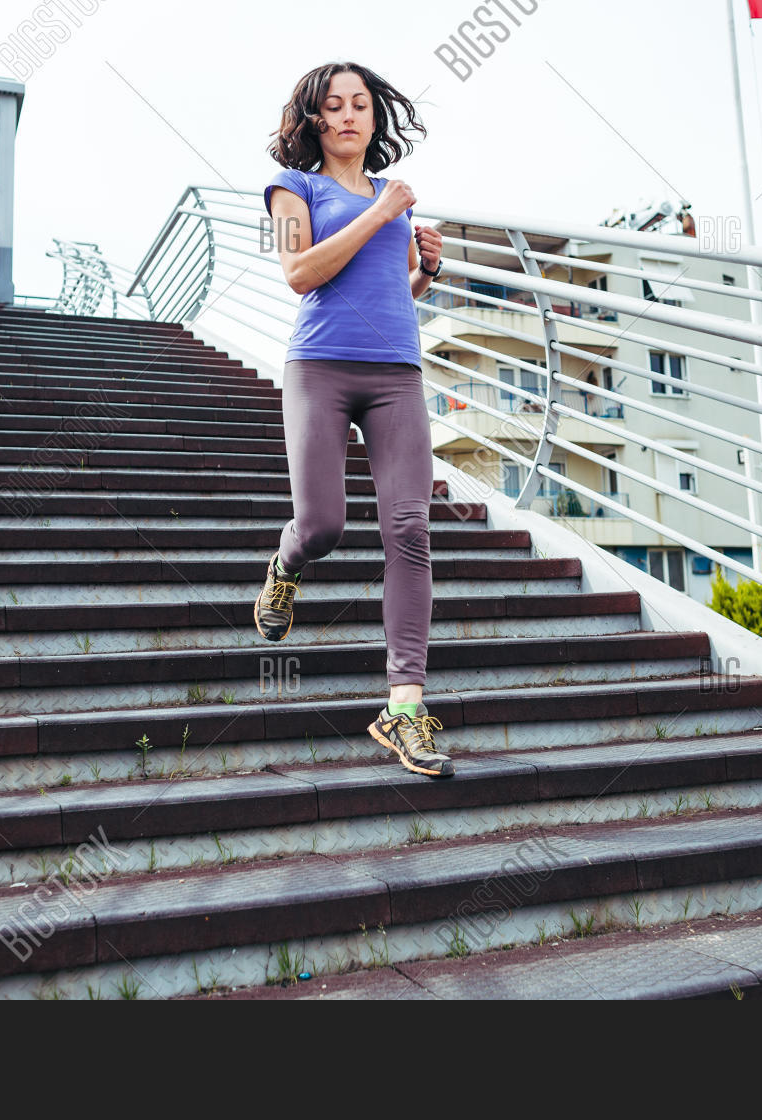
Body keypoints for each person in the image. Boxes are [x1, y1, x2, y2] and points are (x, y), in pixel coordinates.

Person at [254, 61, 453, 779]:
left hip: (397, 371)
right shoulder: (293, 188)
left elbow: (391, 287)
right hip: (320, 369)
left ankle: (404, 709)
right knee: (325, 527)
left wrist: (424, 269)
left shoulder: (392, 202)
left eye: (359, 105)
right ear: (313, 120)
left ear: (375, 118)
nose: (347, 115)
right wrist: (378, 212)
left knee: (409, 526)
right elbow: (300, 272)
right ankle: (287, 562)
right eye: (332, 106)